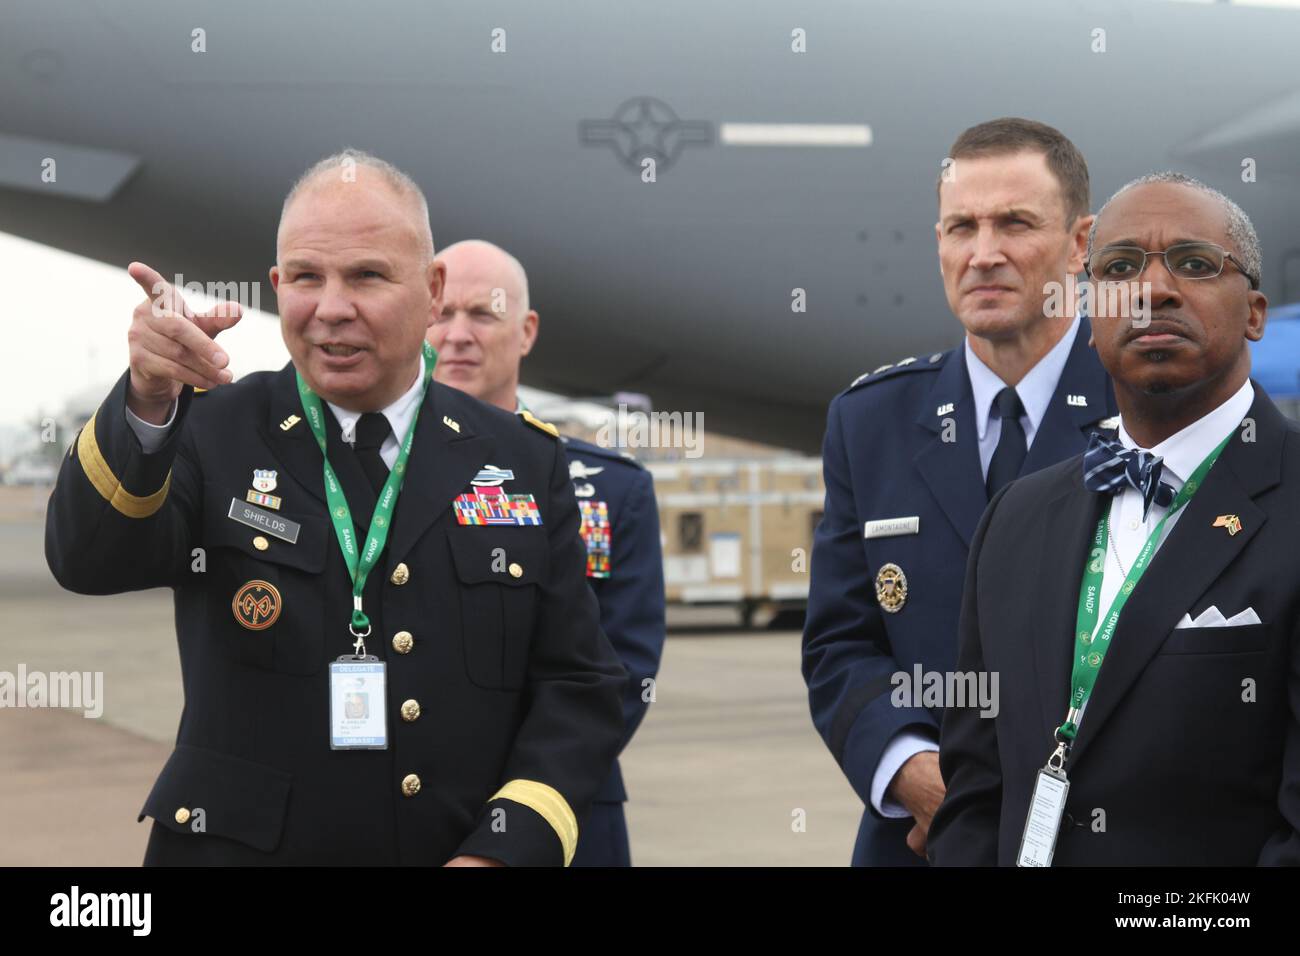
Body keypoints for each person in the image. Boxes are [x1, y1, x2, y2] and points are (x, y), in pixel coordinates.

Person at [44, 150, 626, 866]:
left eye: (367, 276)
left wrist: (503, 851)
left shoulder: (521, 461)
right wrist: (145, 399)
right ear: (275, 285)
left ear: (432, 289)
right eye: (306, 277)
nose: (331, 308)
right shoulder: (210, 430)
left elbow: (578, 686)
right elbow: (87, 559)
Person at [929, 172, 1300, 866]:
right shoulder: (1016, 516)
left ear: (1254, 312)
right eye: (1120, 268)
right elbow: (976, 787)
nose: (1152, 290)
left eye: (1194, 265)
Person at [802, 118, 1118, 866]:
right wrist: (913, 774)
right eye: (960, 227)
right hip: (920, 840)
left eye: (1015, 223)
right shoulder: (871, 420)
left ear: (1080, 245)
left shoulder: (1145, 403)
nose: (984, 254)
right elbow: (841, 642)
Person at [428, 239, 666, 867]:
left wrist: (528, 805)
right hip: (414, 805)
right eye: (441, 313)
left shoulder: (610, 486)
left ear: (526, 331)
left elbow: (625, 670)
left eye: (482, 314)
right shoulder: (369, 471)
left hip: (567, 811)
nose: (456, 335)